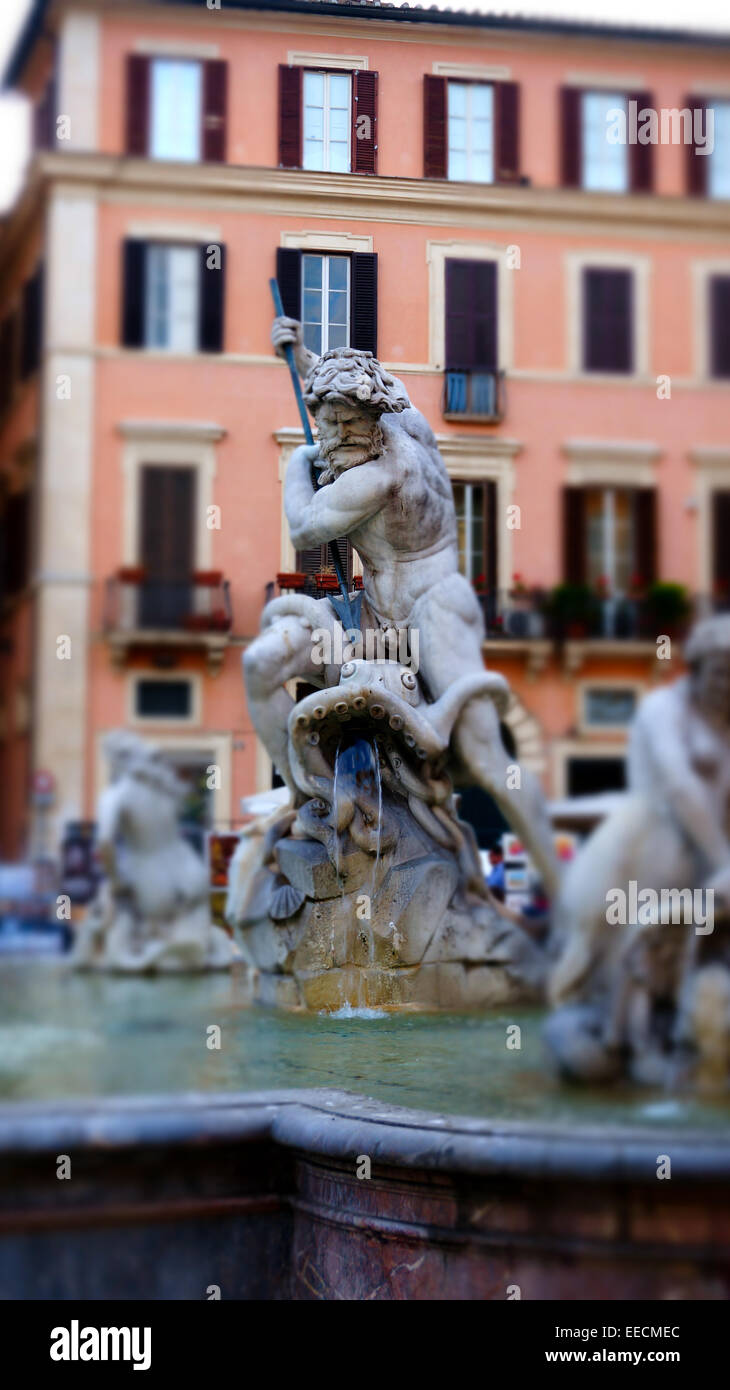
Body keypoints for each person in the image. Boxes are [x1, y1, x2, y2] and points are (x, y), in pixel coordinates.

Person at [242, 317, 560, 899]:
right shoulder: (403, 410)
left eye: (347, 424)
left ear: (373, 418)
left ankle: (562, 889)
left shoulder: (378, 477)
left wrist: (296, 464)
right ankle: (312, 795)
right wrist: (304, 356)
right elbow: (341, 385)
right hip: (369, 615)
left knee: (488, 756)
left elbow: (304, 527)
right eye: (328, 422)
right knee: (260, 664)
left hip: (432, 610)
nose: (336, 435)